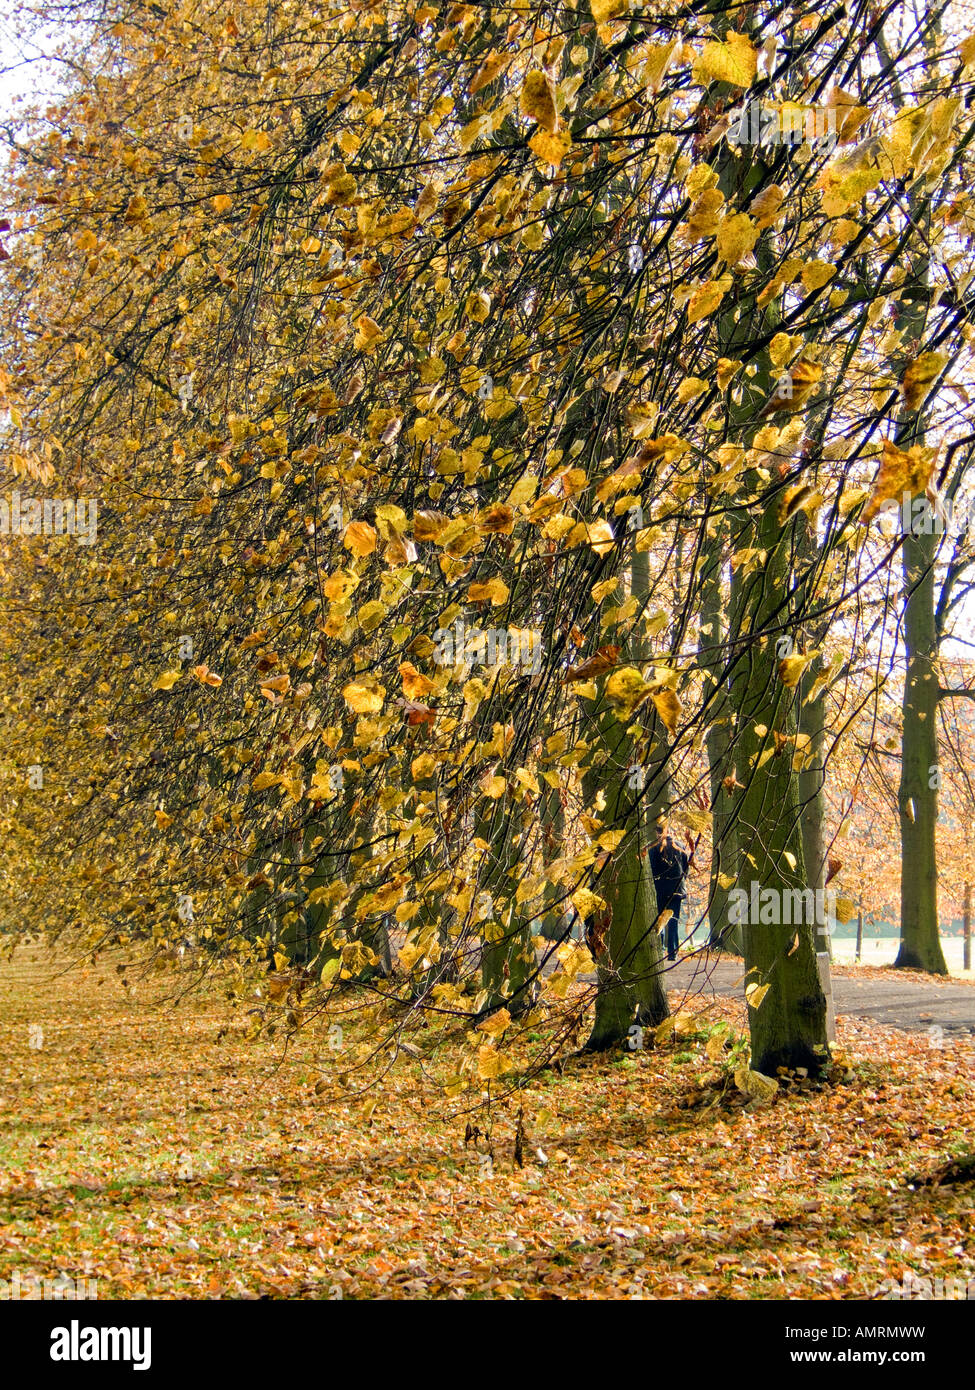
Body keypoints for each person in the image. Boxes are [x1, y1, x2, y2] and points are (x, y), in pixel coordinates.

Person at [649, 825, 694, 962]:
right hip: (677, 889)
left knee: (661, 919)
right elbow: (686, 869)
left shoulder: (654, 850)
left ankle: (659, 950)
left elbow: (653, 870)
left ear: (658, 833)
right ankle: (672, 952)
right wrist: (681, 881)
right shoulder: (680, 847)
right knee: (673, 920)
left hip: (661, 889)